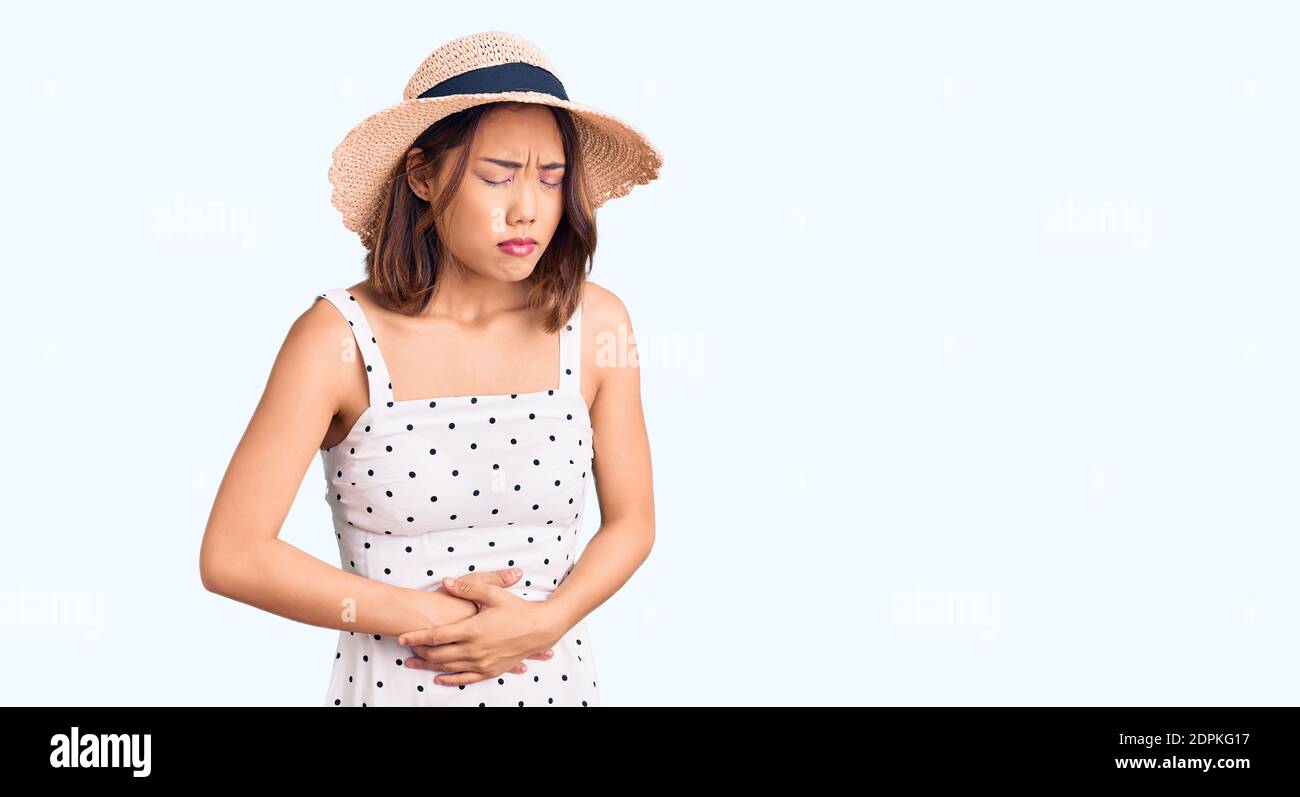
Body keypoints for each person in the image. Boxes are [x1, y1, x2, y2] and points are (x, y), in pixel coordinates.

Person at [199, 31, 661, 706]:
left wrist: (547, 619)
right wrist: (441, 619)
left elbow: (633, 521)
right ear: (421, 174)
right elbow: (233, 554)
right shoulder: (337, 339)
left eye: (551, 177)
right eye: (497, 174)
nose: (527, 206)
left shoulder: (598, 326)